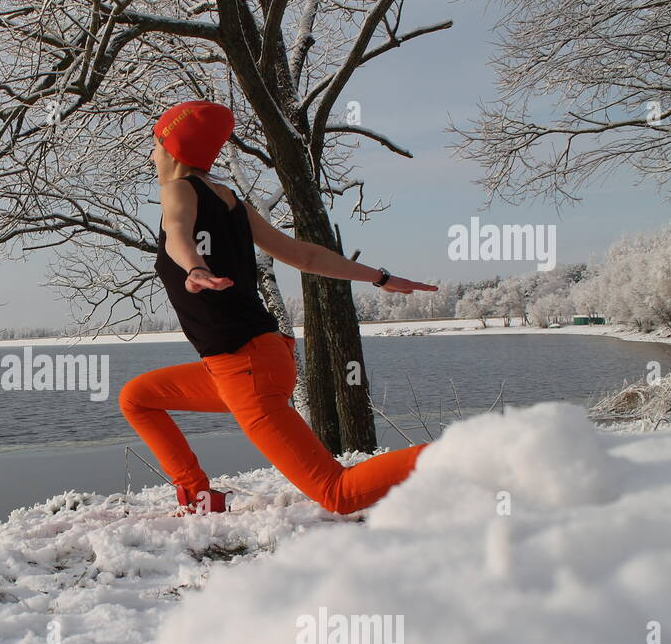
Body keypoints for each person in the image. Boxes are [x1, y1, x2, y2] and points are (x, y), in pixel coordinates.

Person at [120, 100, 439, 516]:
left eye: (155, 145)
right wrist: (378, 276)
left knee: (337, 493)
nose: (151, 155)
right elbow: (304, 256)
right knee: (137, 397)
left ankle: (465, 456)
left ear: (173, 148)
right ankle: (199, 498)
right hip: (249, 360)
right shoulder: (231, 202)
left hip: (245, 369)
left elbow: (178, 231)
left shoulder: (177, 191)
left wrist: (194, 266)